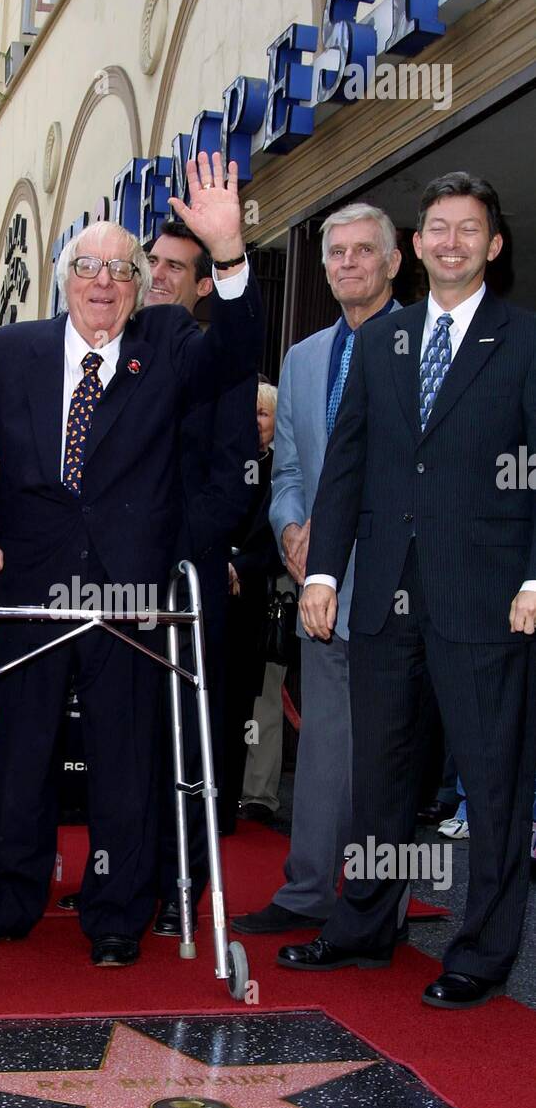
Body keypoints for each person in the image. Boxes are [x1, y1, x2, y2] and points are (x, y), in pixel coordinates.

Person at [0, 150, 264, 966]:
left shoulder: (164, 344)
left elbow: (236, 353)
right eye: (88, 267)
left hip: (132, 587)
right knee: (22, 750)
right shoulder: (5, 352)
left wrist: (228, 254)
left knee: (127, 754)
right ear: (65, 278)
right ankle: (12, 898)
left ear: (139, 285)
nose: (103, 283)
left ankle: (119, 912)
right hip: (28, 579)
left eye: (119, 271)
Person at [282, 171, 536, 1009]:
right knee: (381, 779)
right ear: (418, 245)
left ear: (492, 248)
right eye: (437, 228)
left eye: (468, 229)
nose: (451, 242)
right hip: (383, 599)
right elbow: (348, 463)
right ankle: (364, 927)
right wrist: (323, 572)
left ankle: (482, 950)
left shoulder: (524, 340)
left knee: (492, 783)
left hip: (488, 602)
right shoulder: (384, 344)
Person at [56, 219, 260, 931]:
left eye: (177, 267)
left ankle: (182, 889)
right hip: (111, 576)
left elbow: (233, 482)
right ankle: (123, 875)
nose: (161, 276)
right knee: (123, 740)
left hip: (182, 577)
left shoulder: (207, 360)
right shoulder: (108, 353)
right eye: (155, 264)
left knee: (186, 740)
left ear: (203, 284)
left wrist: (175, 553)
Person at [233, 204, 402, 936]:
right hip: (320, 584)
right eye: (337, 252)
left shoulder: (423, 345)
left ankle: (377, 909)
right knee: (328, 742)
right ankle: (306, 893)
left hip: (400, 580)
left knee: (391, 751)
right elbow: (292, 469)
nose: (349, 263)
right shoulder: (302, 359)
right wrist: (293, 530)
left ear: (396, 263)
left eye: (366, 251)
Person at [221, 382, 283, 832]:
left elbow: (279, 531)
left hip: (260, 593)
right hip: (216, 592)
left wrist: (241, 565)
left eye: (263, 415)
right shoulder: (225, 461)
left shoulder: (284, 469)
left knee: (261, 701)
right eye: (250, 413)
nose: (254, 422)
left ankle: (258, 795)